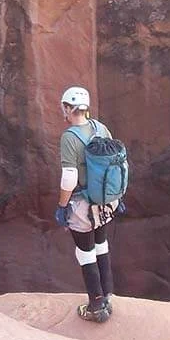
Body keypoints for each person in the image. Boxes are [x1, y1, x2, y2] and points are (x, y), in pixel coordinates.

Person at [55, 86, 120, 323]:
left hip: (83, 204)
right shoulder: (100, 128)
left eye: (63, 107)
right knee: (101, 243)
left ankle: (96, 305)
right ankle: (108, 293)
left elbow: (69, 178)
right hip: (106, 202)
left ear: (68, 108)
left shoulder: (70, 137)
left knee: (84, 251)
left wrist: (63, 207)